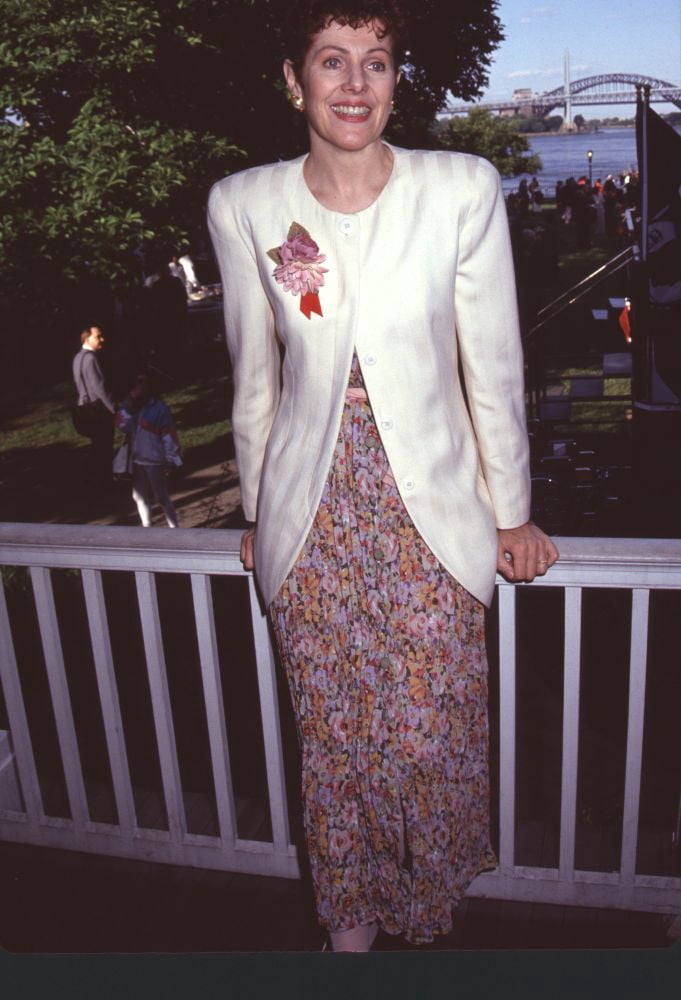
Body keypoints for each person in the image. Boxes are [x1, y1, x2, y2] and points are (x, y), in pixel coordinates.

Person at [207, 0, 559, 952]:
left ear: (397, 79)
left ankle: (423, 912)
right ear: (295, 80)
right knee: (332, 737)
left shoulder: (459, 188)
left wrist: (512, 513)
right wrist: (259, 510)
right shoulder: (244, 204)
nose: (355, 85)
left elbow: (492, 366)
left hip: (433, 505)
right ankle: (350, 925)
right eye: (331, 61)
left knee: (425, 733)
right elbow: (255, 383)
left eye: (377, 62)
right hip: (309, 505)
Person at [115, 371, 182, 527]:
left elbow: (169, 436)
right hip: (137, 460)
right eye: (137, 384)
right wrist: (130, 404)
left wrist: (171, 458)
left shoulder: (159, 409)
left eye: (144, 384)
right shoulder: (130, 407)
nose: (140, 388)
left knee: (161, 497)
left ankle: (175, 528)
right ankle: (147, 528)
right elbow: (121, 426)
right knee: (138, 496)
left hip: (155, 460)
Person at [72, 324, 116, 486]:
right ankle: (104, 481)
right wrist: (112, 408)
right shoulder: (91, 358)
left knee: (97, 446)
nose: (102, 339)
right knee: (104, 447)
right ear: (87, 338)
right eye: (98, 337)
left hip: (84, 407)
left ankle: (92, 480)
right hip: (97, 409)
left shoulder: (77, 357)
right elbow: (99, 387)